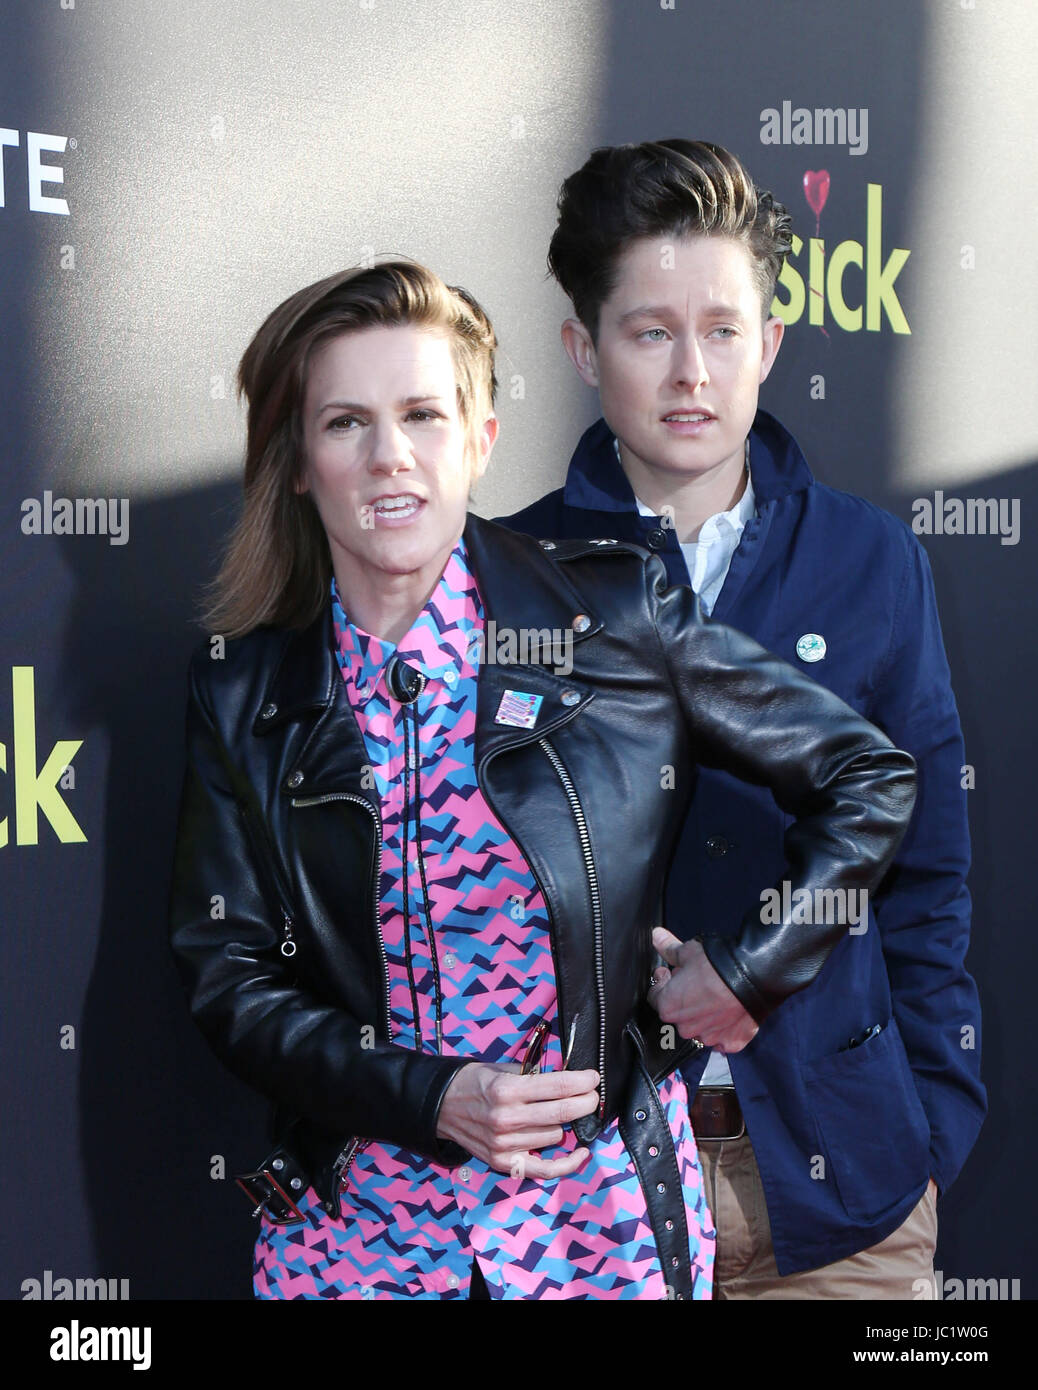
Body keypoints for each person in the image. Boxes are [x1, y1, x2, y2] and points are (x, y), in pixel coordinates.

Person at [167, 257, 916, 1301]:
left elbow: (867, 774)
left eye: (424, 414)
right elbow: (232, 975)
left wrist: (751, 969)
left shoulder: (613, 618)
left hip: (593, 1237)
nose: (391, 457)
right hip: (357, 1240)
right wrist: (434, 1096)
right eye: (345, 423)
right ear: (298, 459)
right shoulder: (246, 689)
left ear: (479, 439)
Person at [498, 138, 986, 1297]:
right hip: (583, 1203)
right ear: (583, 349)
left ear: (771, 344)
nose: (690, 374)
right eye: (650, 332)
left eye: (722, 330)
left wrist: (926, 1126)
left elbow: (926, 871)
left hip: (845, 1196)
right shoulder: (509, 572)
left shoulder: (873, 560)